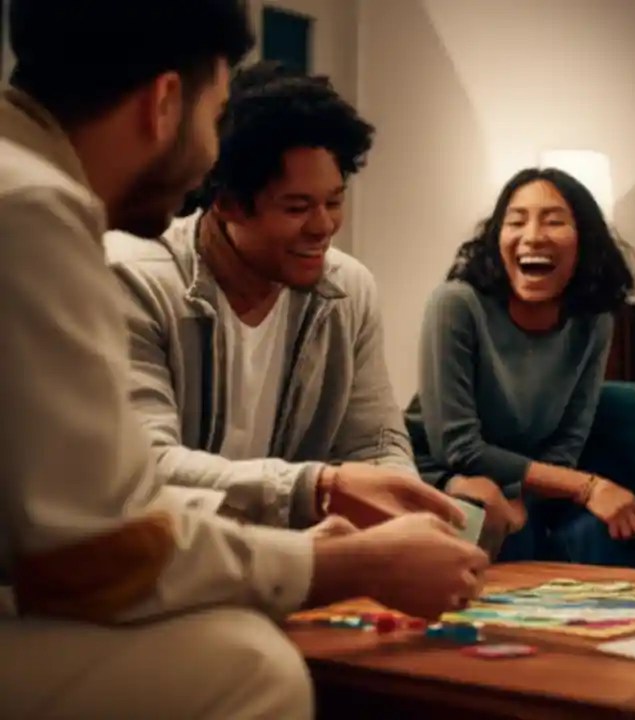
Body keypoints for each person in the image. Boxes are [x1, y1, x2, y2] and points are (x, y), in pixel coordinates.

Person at [0, 2, 486, 717]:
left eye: (334, 201)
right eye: (214, 112)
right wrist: (341, 560)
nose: (209, 151)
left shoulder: (23, 191)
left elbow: (82, 516)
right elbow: (98, 550)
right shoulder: (37, 214)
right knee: (250, 666)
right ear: (166, 102)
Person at [105, 61, 517, 541]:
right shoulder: (135, 280)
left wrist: (414, 519)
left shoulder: (347, 290)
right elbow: (147, 467)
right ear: (227, 203)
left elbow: (375, 447)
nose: (323, 226)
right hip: (167, 562)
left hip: (297, 564)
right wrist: (317, 486)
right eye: (297, 207)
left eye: (335, 201)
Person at [408, 167, 635, 565]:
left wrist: (524, 497)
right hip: (437, 469)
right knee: (486, 514)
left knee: (616, 530)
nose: (533, 236)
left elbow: (569, 441)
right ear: (498, 237)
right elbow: (457, 446)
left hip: (523, 481)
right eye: (516, 221)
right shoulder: (455, 304)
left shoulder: (594, 320)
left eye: (554, 221)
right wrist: (588, 487)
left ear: (584, 242)